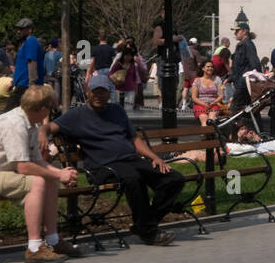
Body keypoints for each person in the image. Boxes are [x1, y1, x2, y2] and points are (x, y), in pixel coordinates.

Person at [49, 73, 185, 246]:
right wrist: (41, 133)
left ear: (109, 93)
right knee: (133, 178)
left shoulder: (116, 110)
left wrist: (154, 157)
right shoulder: (76, 115)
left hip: (131, 161)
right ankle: (149, 232)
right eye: (95, 92)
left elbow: (134, 139)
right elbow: (49, 126)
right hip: (103, 167)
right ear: (87, 92)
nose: (99, 96)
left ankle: (144, 224)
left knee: (174, 179)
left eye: (103, 92)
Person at [0, 85, 82, 263]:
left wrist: (60, 173)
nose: (51, 113)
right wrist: (59, 174)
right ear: (43, 108)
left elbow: (37, 161)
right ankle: (34, 248)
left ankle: (53, 240)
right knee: (37, 182)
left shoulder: (30, 123)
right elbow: (23, 167)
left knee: (49, 180)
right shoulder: (15, 125)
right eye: (50, 108)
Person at [10, 18, 45, 110]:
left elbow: (32, 62)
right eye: (18, 29)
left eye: (21, 29)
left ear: (29, 30)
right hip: (22, 84)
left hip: (25, 85)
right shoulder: (26, 43)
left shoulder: (31, 42)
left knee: (9, 113)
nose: (18, 32)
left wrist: (32, 86)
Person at [230, 23, 261, 112]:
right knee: (249, 111)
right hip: (241, 83)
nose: (235, 33)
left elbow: (255, 64)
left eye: (237, 31)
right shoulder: (242, 45)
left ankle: (239, 126)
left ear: (244, 31)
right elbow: (239, 66)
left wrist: (249, 80)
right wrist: (230, 78)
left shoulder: (247, 44)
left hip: (243, 84)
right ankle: (254, 125)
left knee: (234, 109)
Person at [108, 46, 144, 111]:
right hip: (119, 90)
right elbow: (110, 74)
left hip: (130, 90)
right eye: (126, 55)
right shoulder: (118, 64)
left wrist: (136, 90)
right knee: (118, 110)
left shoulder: (133, 65)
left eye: (130, 56)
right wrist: (115, 81)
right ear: (123, 55)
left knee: (129, 110)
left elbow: (134, 78)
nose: (128, 57)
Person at [191, 61, 226, 127]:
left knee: (211, 120)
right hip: (200, 104)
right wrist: (204, 104)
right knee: (204, 120)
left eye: (212, 67)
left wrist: (213, 102)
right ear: (203, 68)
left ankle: (210, 135)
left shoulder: (217, 79)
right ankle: (207, 135)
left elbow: (221, 95)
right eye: (208, 66)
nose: (210, 68)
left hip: (214, 104)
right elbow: (194, 97)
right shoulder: (197, 80)